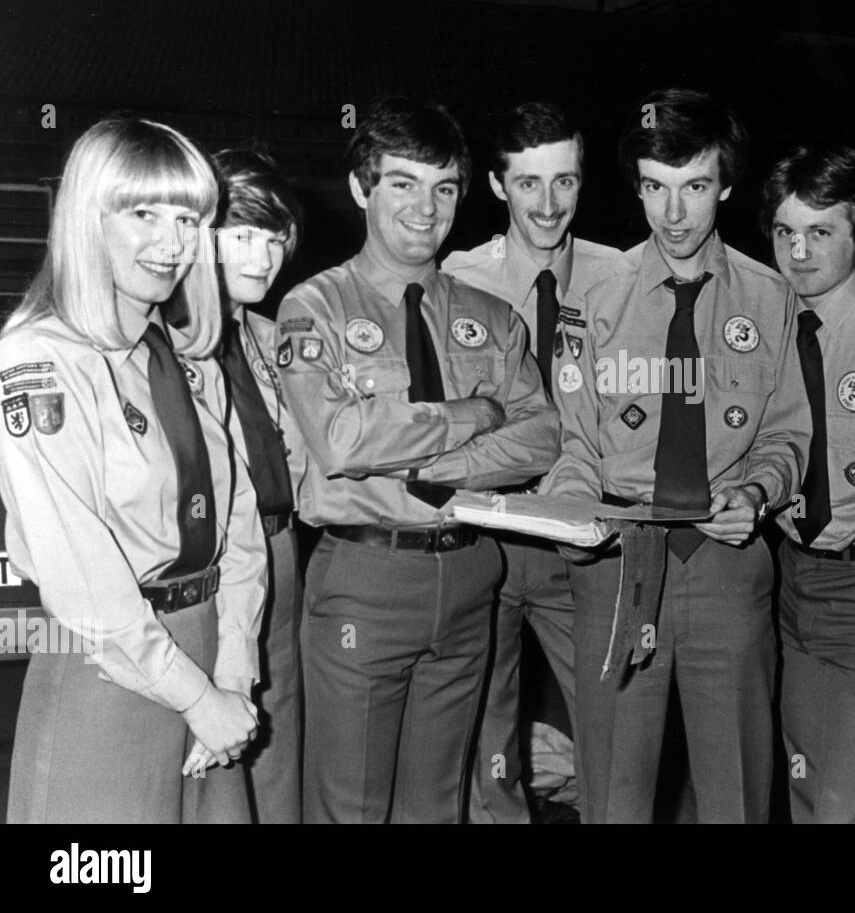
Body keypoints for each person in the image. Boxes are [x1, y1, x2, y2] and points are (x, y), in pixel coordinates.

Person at [275, 95, 559, 823]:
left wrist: (435, 467)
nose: (424, 207)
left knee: (437, 804)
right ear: (361, 189)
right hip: (366, 577)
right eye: (402, 182)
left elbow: (540, 436)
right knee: (352, 805)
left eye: (443, 187)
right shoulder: (316, 309)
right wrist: (470, 416)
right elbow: (341, 440)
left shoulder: (491, 316)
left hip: (470, 573)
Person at [541, 88, 812, 823]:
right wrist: (571, 507)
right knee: (614, 798)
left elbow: (787, 433)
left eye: (694, 187)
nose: (674, 213)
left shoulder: (770, 296)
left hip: (727, 565)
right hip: (619, 566)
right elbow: (574, 437)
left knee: (736, 795)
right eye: (655, 189)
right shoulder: (591, 298)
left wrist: (757, 493)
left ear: (725, 184)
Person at [0, 117, 265, 823]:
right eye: (143, 213)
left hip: (208, 656)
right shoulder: (39, 360)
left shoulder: (184, 357)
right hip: (111, 670)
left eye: (188, 218)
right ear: (89, 219)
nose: (171, 243)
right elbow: (81, 572)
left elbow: (237, 524)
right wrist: (196, 695)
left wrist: (232, 674)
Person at [442, 102, 621, 822]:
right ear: (496, 185)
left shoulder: (622, 276)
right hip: (487, 539)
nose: (548, 205)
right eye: (528, 184)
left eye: (565, 183)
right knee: (489, 750)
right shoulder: (457, 276)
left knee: (617, 729)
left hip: (588, 543)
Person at [763, 144, 855, 823]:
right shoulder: (762, 325)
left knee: (846, 804)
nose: (798, 251)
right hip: (791, 583)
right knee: (805, 787)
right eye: (784, 232)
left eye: (820, 232)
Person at [213, 146, 307, 823]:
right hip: (210, 564)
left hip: (283, 553)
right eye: (243, 235)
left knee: (277, 744)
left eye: (275, 239)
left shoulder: (280, 342)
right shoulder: (162, 342)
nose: (262, 258)